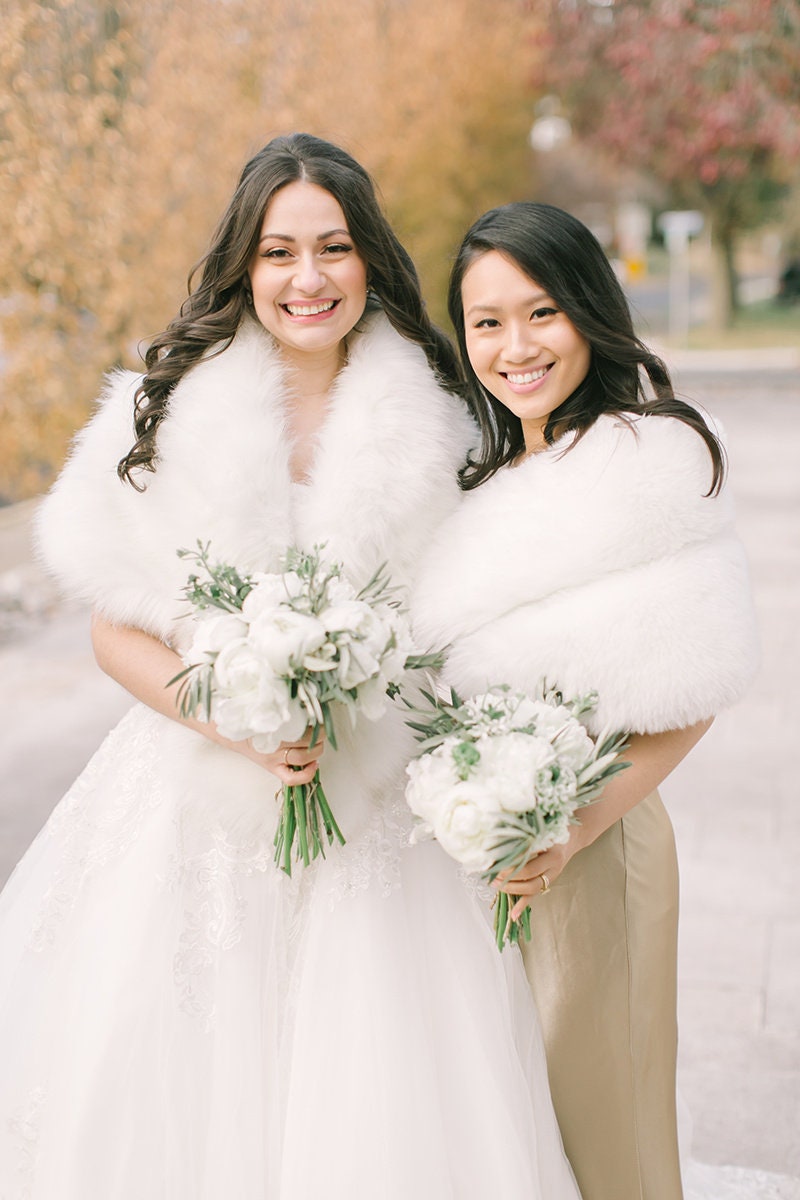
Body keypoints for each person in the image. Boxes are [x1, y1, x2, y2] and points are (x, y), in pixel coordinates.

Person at [0, 138, 583, 1199]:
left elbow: (460, 629)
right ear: (244, 265)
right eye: (278, 253)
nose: (306, 279)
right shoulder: (165, 411)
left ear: (369, 262)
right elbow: (114, 630)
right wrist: (232, 714)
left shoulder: (446, 424)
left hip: (377, 813)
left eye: (332, 248)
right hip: (189, 801)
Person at [411, 202, 759, 1200]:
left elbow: (691, 687)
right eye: (484, 322)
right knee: (505, 1142)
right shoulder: (471, 483)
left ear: (588, 313)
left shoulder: (650, 462)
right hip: (477, 857)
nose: (512, 347)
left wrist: (570, 827)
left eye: (541, 313)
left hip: (597, 850)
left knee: (609, 1144)